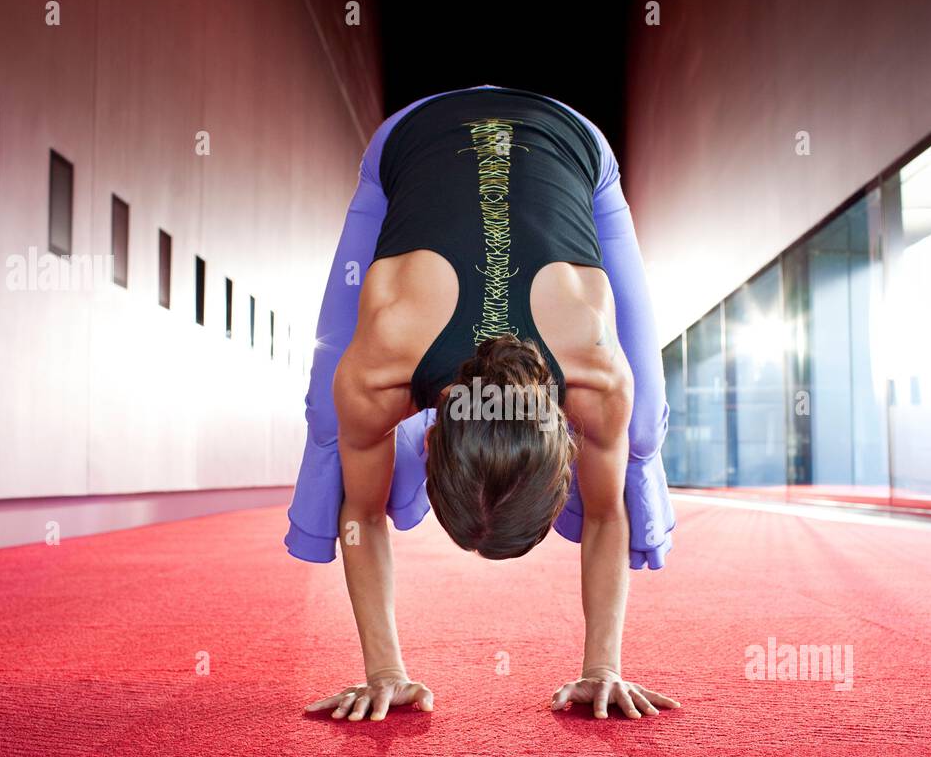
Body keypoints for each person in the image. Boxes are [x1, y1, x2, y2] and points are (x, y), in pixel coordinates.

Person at [287, 85, 678, 720]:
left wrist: (604, 668)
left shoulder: (597, 371)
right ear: (434, 433)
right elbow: (360, 509)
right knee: (331, 421)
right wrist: (383, 670)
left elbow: (608, 513)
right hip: (421, 147)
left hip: (561, 148)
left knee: (638, 439)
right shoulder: (380, 362)